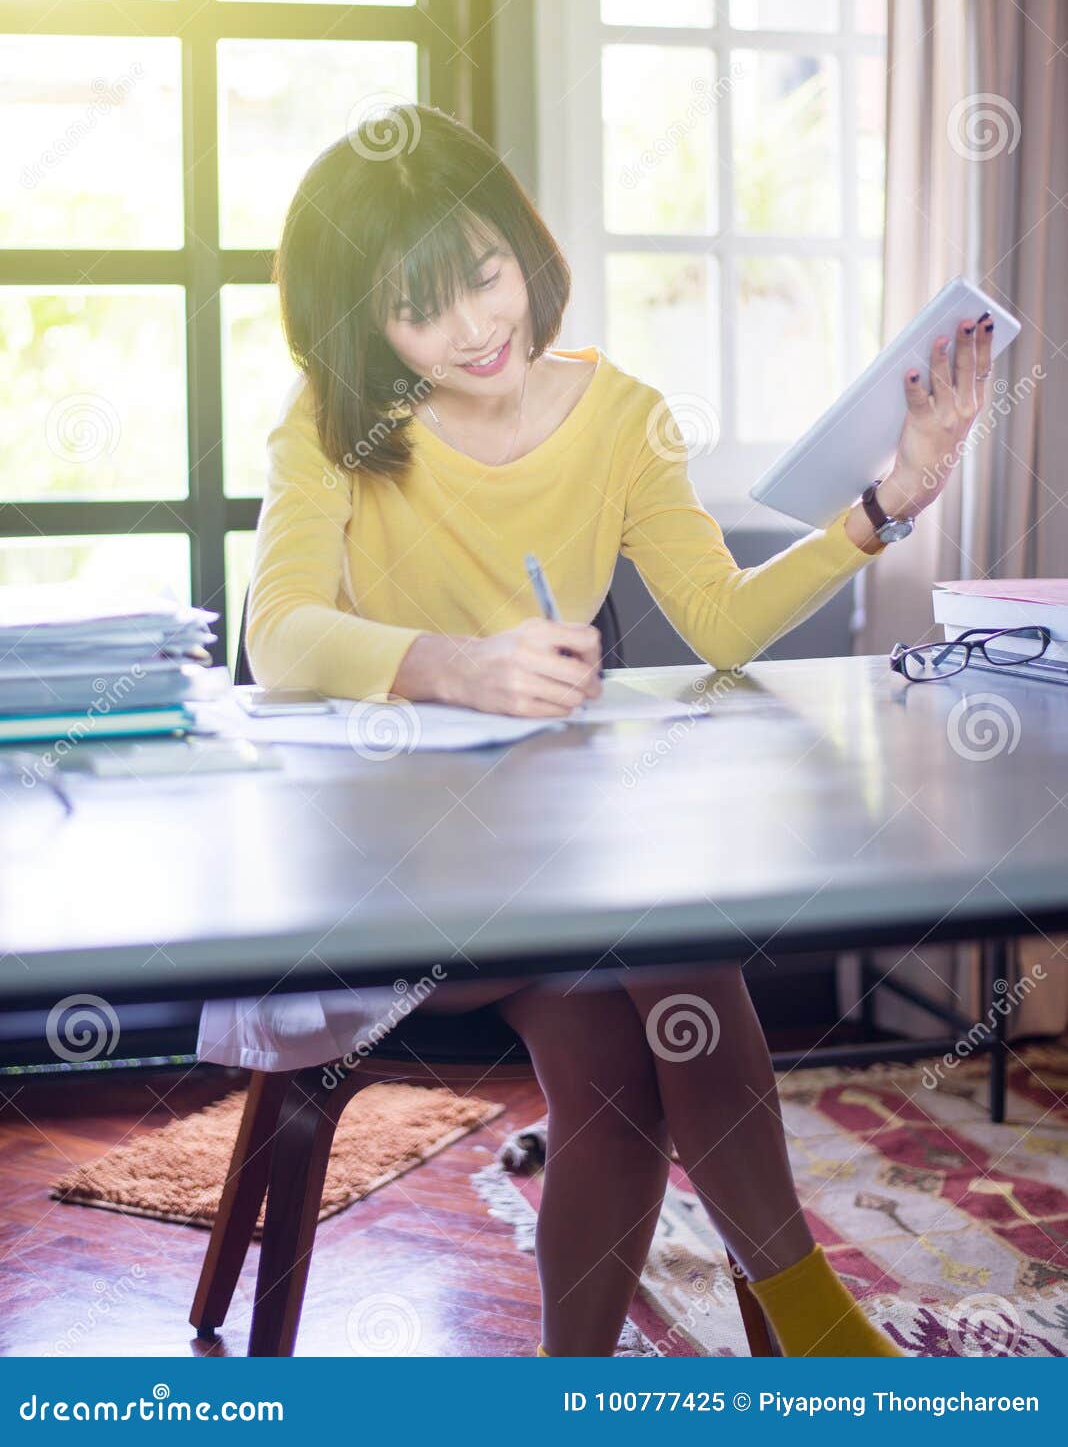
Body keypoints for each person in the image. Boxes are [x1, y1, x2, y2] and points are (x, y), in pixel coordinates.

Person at [200, 104, 994, 1357]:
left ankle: (577, 1393)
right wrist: (457, 665)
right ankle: (824, 1336)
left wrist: (890, 500)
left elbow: (724, 622)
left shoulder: (619, 414)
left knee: (633, 1056)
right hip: (389, 890)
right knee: (670, 938)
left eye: (483, 272)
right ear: (367, 325)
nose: (473, 325)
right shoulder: (330, 426)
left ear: (523, 247)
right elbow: (282, 630)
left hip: (556, 877)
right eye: (420, 307)